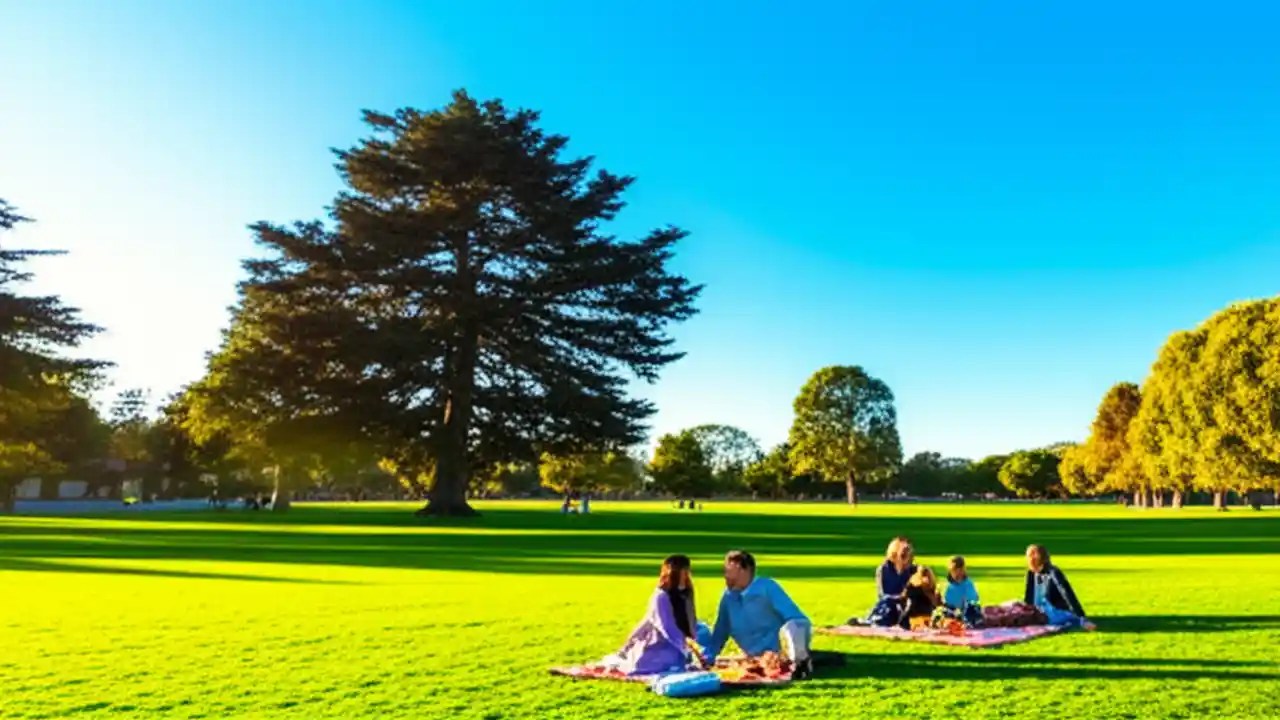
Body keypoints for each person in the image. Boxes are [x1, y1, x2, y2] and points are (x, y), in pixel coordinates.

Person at [704, 550, 813, 679]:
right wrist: (708, 658)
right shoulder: (728, 597)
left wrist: (794, 653)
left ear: (744, 570)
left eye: (729, 571)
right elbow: (720, 632)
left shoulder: (767, 587)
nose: (726, 576)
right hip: (753, 659)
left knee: (795, 625)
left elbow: (797, 619)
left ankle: (800, 664)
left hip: (778, 656)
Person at [609, 555, 699, 675]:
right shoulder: (661, 596)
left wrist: (693, 642)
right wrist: (685, 646)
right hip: (660, 644)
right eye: (683, 571)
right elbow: (666, 627)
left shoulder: (686, 593)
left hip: (678, 646)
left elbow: (691, 618)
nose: (686, 575)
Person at [1024, 544, 1086, 625]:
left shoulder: (1054, 572)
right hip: (1038, 610)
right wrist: (1025, 610)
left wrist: (1081, 616)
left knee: (1039, 619)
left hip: (1055, 611)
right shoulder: (1031, 573)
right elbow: (1029, 596)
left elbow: (1067, 593)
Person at [861, 536, 917, 626]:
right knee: (887, 604)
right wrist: (896, 598)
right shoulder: (883, 569)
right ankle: (872, 621)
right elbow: (882, 594)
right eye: (903, 554)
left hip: (908, 606)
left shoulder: (915, 571)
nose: (907, 558)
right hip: (889, 604)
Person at [944, 555, 982, 625]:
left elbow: (972, 603)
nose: (956, 573)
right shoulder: (950, 586)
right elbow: (947, 604)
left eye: (959, 570)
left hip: (967, 615)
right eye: (953, 571)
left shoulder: (968, 584)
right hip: (953, 615)